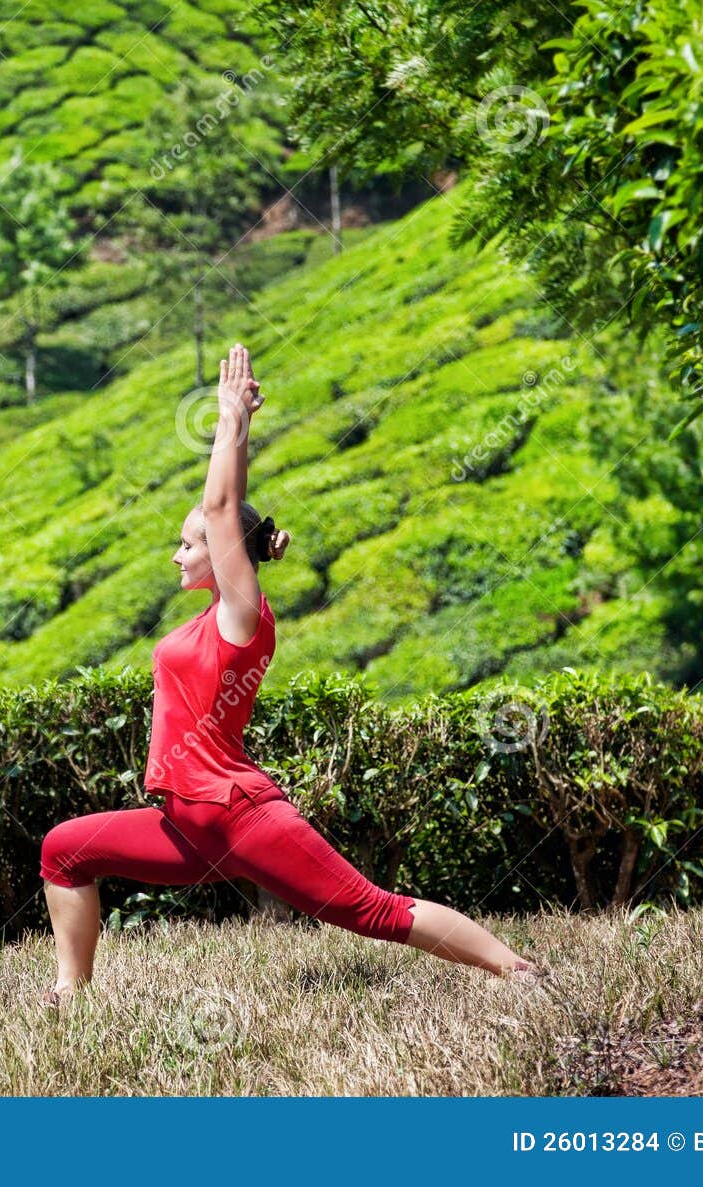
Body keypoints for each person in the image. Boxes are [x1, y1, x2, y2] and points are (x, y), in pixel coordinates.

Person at [38, 343, 542, 1008]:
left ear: (226, 555)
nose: (177, 553)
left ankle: (523, 974)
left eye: (188, 544)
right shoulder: (209, 619)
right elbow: (224, 516)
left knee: (375, 911)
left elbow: (222, 510)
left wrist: (231, 422)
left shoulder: (242, 618)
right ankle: (69, 996)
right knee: (64, 851)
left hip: (236, 814)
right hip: (188, 826)